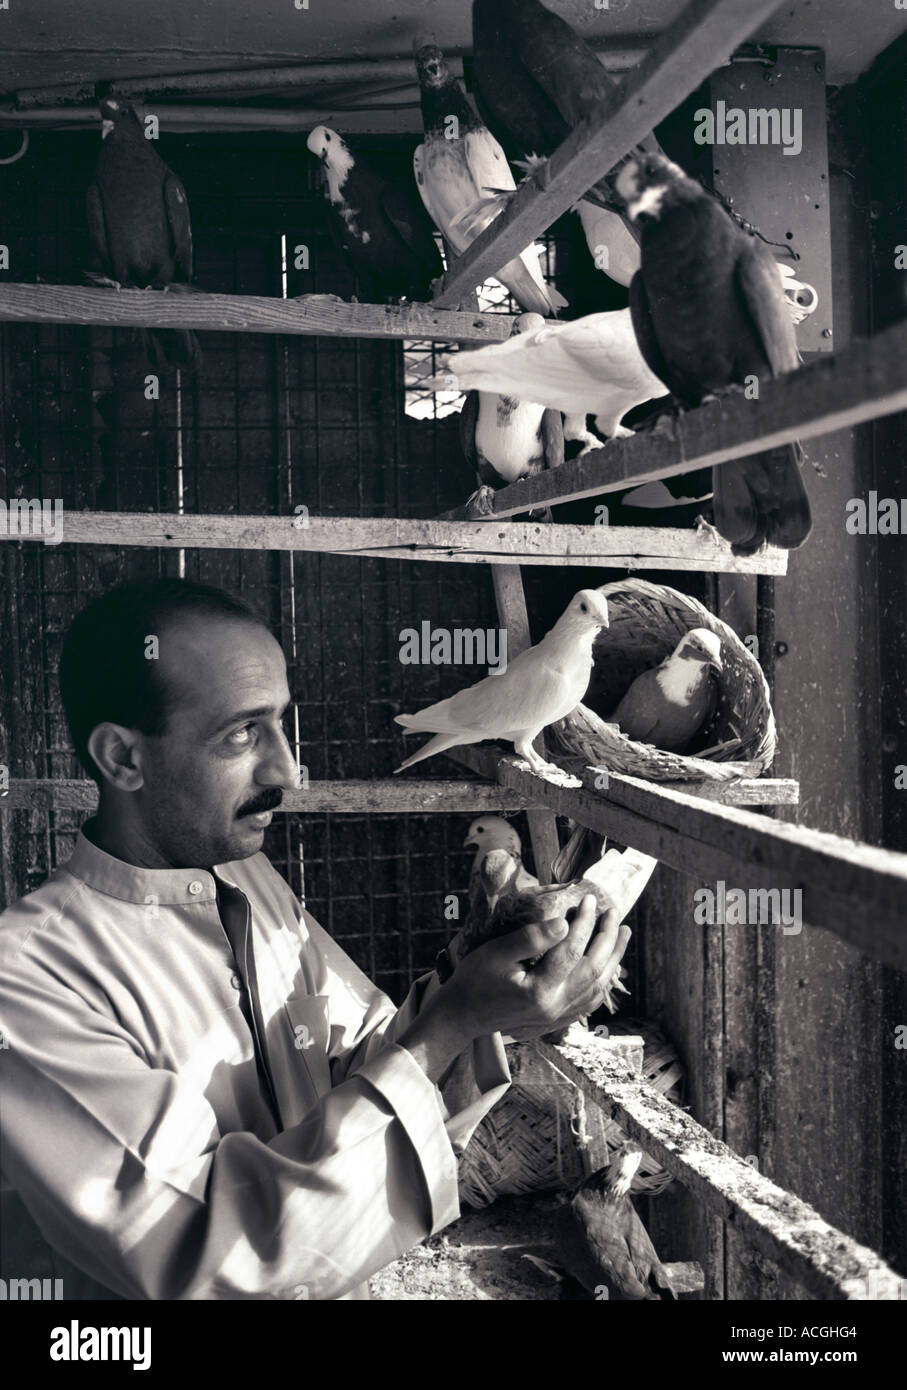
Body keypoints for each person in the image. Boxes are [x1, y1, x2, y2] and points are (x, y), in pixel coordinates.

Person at [0, 578, 629, 1300]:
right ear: (122, 759)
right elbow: (211, 1257)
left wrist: (487, 970)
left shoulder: (249, 881)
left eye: (280, 724)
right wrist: (457, 1019)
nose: (288, 770)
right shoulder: (27, 981)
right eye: (242, 734)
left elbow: (368, 1056)